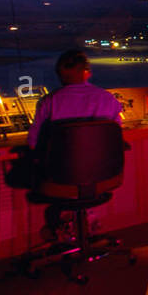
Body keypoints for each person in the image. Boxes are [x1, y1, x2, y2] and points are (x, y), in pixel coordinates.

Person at [26, 49, 124, 238]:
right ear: (86, 72)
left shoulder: (50, 102)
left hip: (61, 180)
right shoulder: (108, 99)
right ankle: (81, 223)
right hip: (104, 177)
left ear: (60, 75)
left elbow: (32, 143)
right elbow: (117, 136)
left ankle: (60, 225)